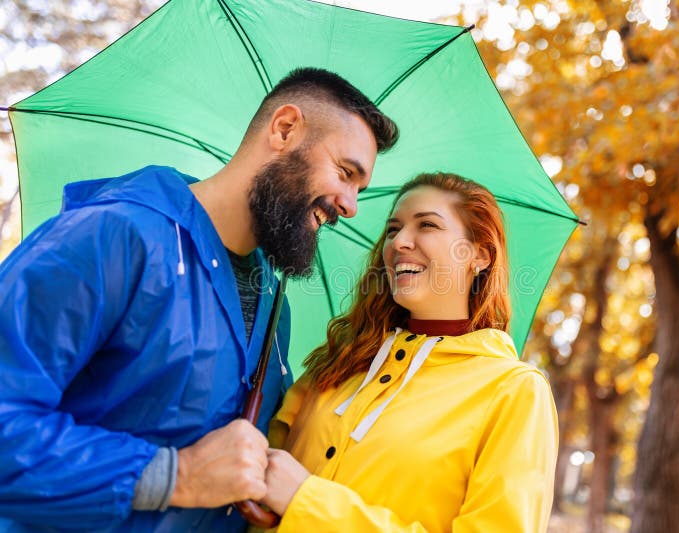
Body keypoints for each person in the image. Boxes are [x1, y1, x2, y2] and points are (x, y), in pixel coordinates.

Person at [0, 67, 398, 531]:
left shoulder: (274, 307)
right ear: (285, 129)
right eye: (345, 173)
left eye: (359, 190)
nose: (350, 204)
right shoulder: (114, 236)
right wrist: (175, 476)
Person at [257, 172, 558, 532]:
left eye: (427, 225)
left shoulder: (513, 392)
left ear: (480, 254)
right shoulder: (342, 357)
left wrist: (306, 502)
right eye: (393, 229)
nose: (400, 242)